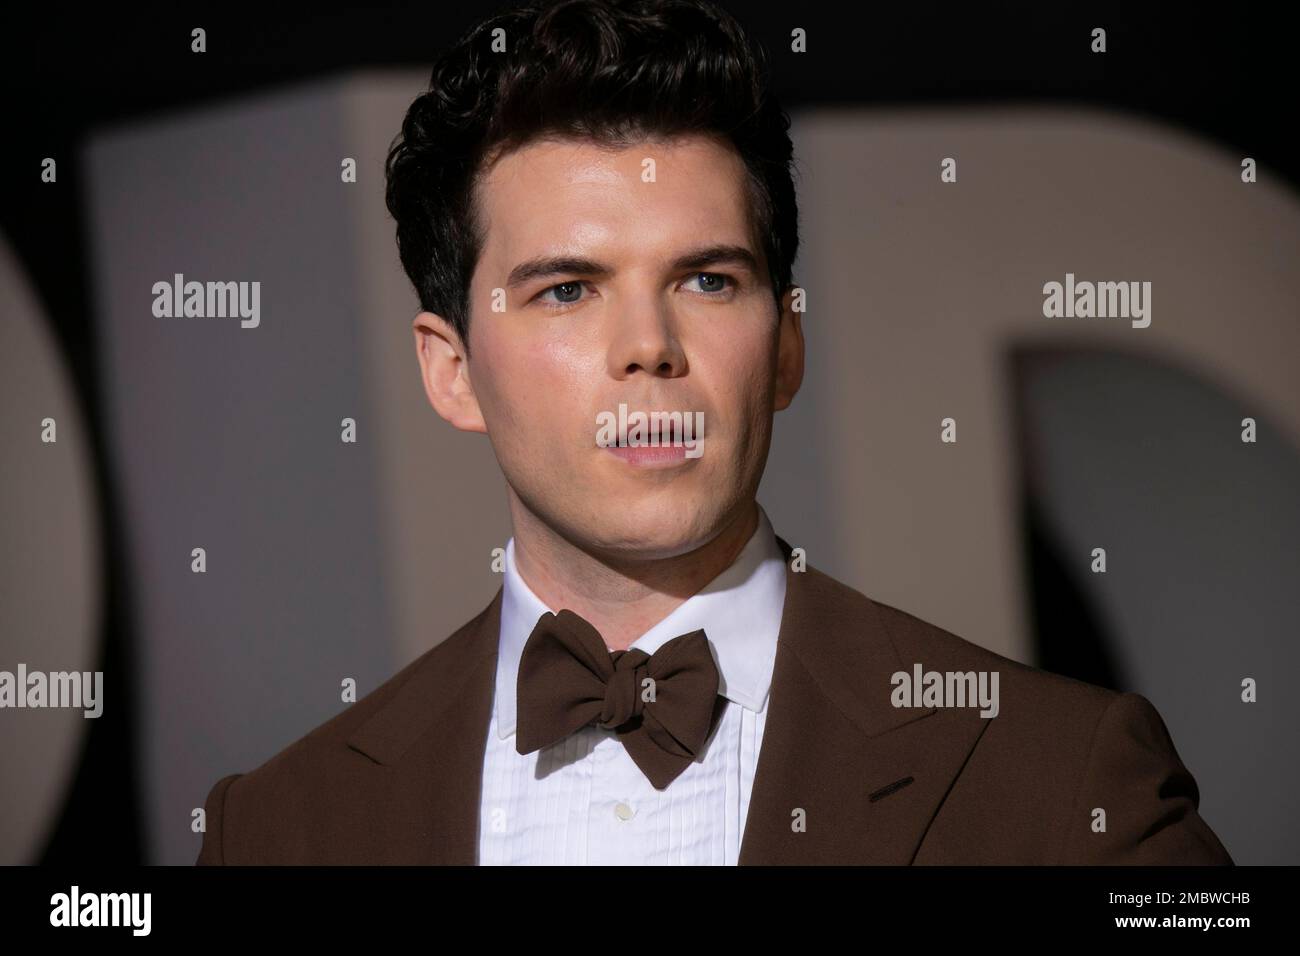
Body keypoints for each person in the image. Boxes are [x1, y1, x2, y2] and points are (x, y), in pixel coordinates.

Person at [196, 0, 1231, 865]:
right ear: (451, 368)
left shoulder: (1062, 779)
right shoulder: (280, 827)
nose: (649, 345)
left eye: (706, 279)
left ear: (784, 347)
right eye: (566, 289)